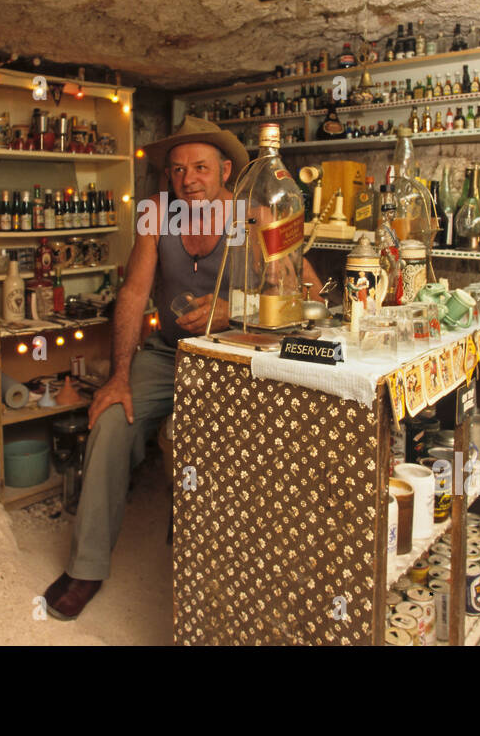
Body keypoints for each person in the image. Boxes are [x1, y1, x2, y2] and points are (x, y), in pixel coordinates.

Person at [42, 117, 320, 620]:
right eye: (177, 170)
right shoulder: (156, 215)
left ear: (226, 171)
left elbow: (310, 294)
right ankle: (86, 568)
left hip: (237, 357)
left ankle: (241, 570)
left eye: (200, 167)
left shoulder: (255, 213)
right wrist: (119, 376)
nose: (188, 179)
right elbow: (131, 294)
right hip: (171, 355)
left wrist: (233, 309)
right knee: (109, 419)